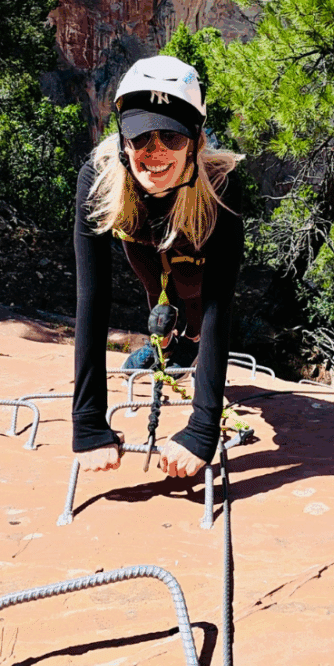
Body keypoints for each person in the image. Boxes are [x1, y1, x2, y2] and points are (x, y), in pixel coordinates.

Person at [72, 54, 244, 479]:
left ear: (197, 141)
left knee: (195, 295)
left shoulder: (220, 186)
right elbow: (92, 299)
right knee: (158, 298)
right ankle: (167, 347)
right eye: (141, 137)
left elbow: (220, 304)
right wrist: (87, 423)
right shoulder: (99, 178)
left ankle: (189, 345)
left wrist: (202, 429)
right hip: (140, 233)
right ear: (122, 140)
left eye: (172, 137)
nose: (156, 152)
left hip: (194, 229)